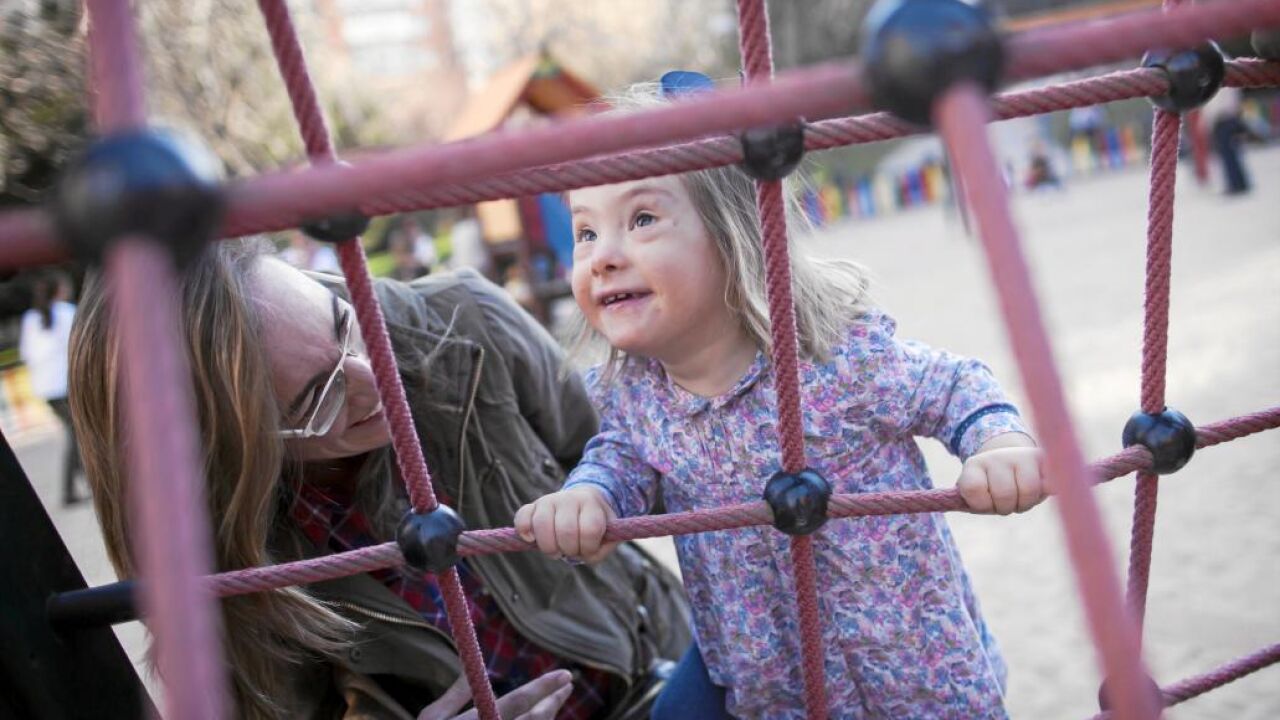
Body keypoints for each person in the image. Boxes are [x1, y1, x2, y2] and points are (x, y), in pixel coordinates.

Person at [514, 84, 1048, 719]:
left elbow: (954, 386)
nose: (603, 257)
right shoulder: (635, 399)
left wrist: (997, 442)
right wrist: (589, 500)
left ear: (734, 235)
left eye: (643, 220)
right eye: (584, 232)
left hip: (915, 675)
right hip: (773, 695)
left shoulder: (831, 361)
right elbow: (617, 464)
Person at [68, 239, 691, 719]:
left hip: (657, 669)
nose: (373, 378)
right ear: (232, 454)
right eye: (317, 397)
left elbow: (614, 451)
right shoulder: (223, 556)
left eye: (343, 324)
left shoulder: (464, 322)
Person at [20, 270, 82, 505]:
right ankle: (69, 490)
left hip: (45, 388)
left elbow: (27, 354)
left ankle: (81, 483)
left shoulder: (30, 319)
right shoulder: (67, 313)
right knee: (77, 434)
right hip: (65, 385)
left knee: (75, 433)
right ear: (60, 290)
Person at [1200, 85, 1252, 195]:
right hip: (1224, 119)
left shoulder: (1221, 83)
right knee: (1230, 154)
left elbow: (1218, 105)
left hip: (1224, 120)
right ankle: (1239, 183)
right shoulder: (1222, 84)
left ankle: (1236, 184)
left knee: (1229, 154)